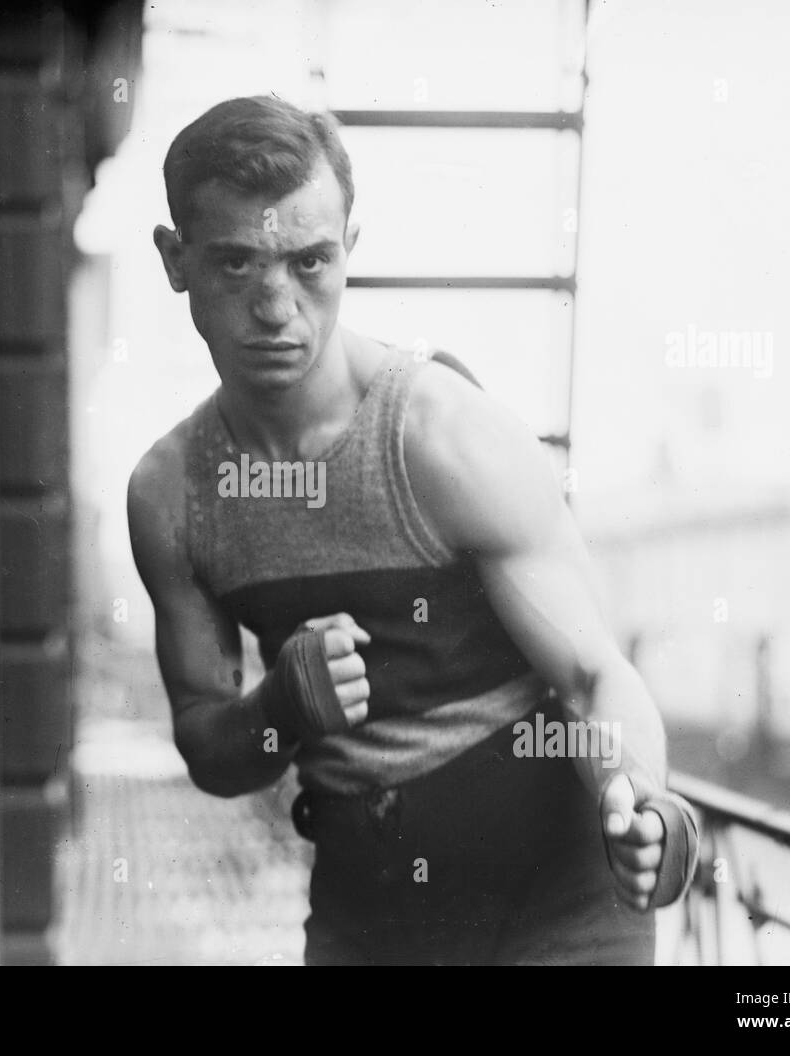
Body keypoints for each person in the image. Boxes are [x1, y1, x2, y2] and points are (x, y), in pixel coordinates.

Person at [127, 95, 698, 965]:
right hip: (370, 908)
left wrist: (643, 806)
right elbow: (209, 748)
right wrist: (281, 707)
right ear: (177, 261)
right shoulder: (172, 495)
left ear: (349, 251)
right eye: (238, 265)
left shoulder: (440, 433)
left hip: (559, 904)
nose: (277, 307)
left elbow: (591, 674)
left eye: (309, 262)